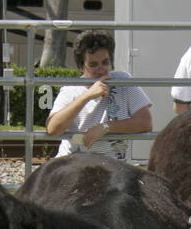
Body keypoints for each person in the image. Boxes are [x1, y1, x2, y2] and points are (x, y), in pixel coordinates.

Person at [46, 30, 152, 161]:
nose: (101, 69)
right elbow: (52, 129)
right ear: (81, 67)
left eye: (105, 62)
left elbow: (146, 122)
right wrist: (87, 96)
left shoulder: (123, 81)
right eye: (93, 65)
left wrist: (106, 127)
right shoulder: (70, 90)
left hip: (114, 166)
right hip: (73, 163)